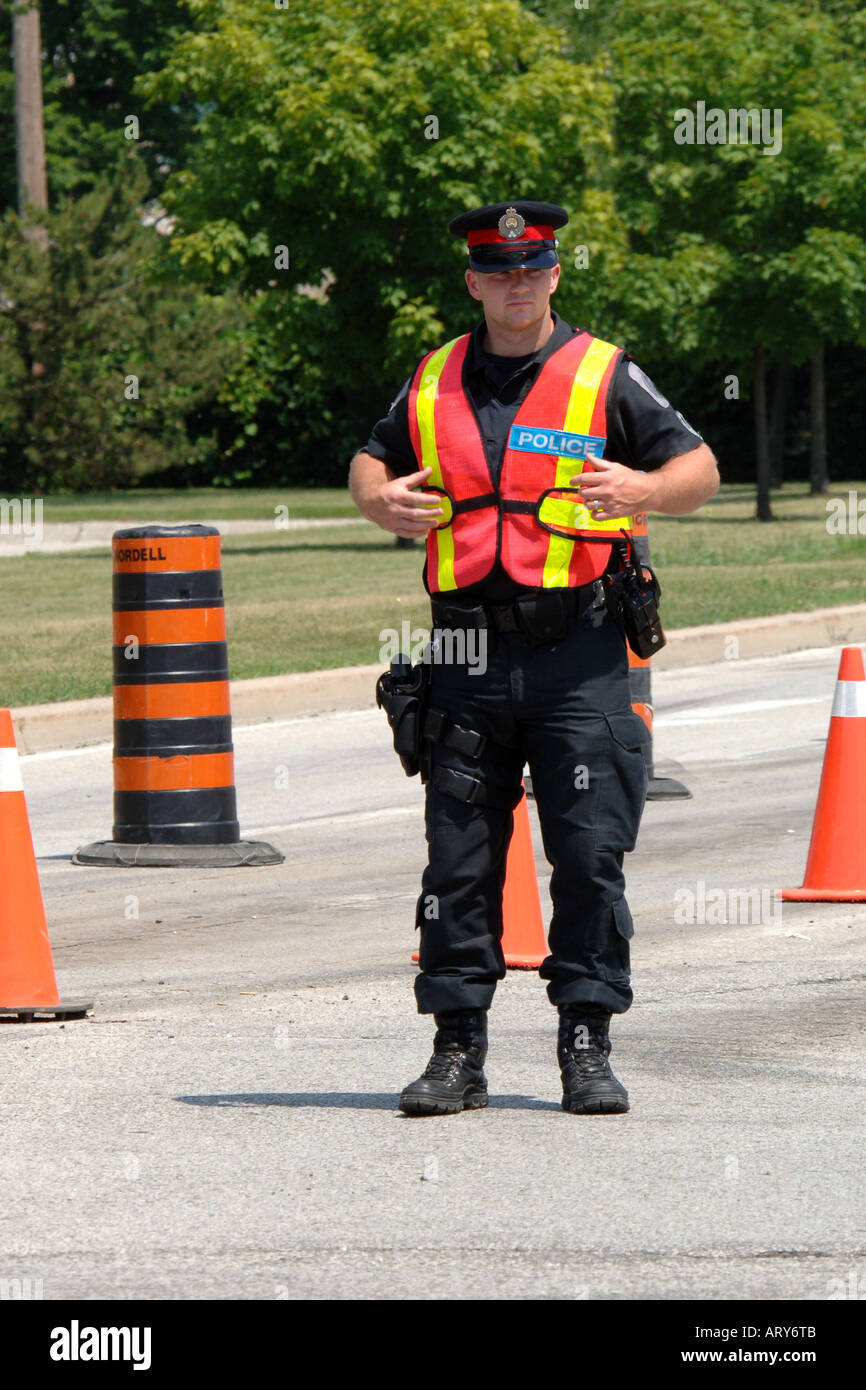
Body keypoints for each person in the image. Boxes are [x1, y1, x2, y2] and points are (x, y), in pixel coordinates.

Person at [349, 201, 719, 1117]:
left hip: (581, 652)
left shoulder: (604, 374)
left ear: (554, 275)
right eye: (498, 271)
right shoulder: (433, 378)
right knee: (458, 862)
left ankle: (586, 1042)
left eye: (532, 269)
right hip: (466, 650)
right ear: (474, 282)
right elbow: (370, 458)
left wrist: (647, 488)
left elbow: (701, 468)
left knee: (591, 856)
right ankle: (456, 1051)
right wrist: (378, 500)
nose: (517, 284)